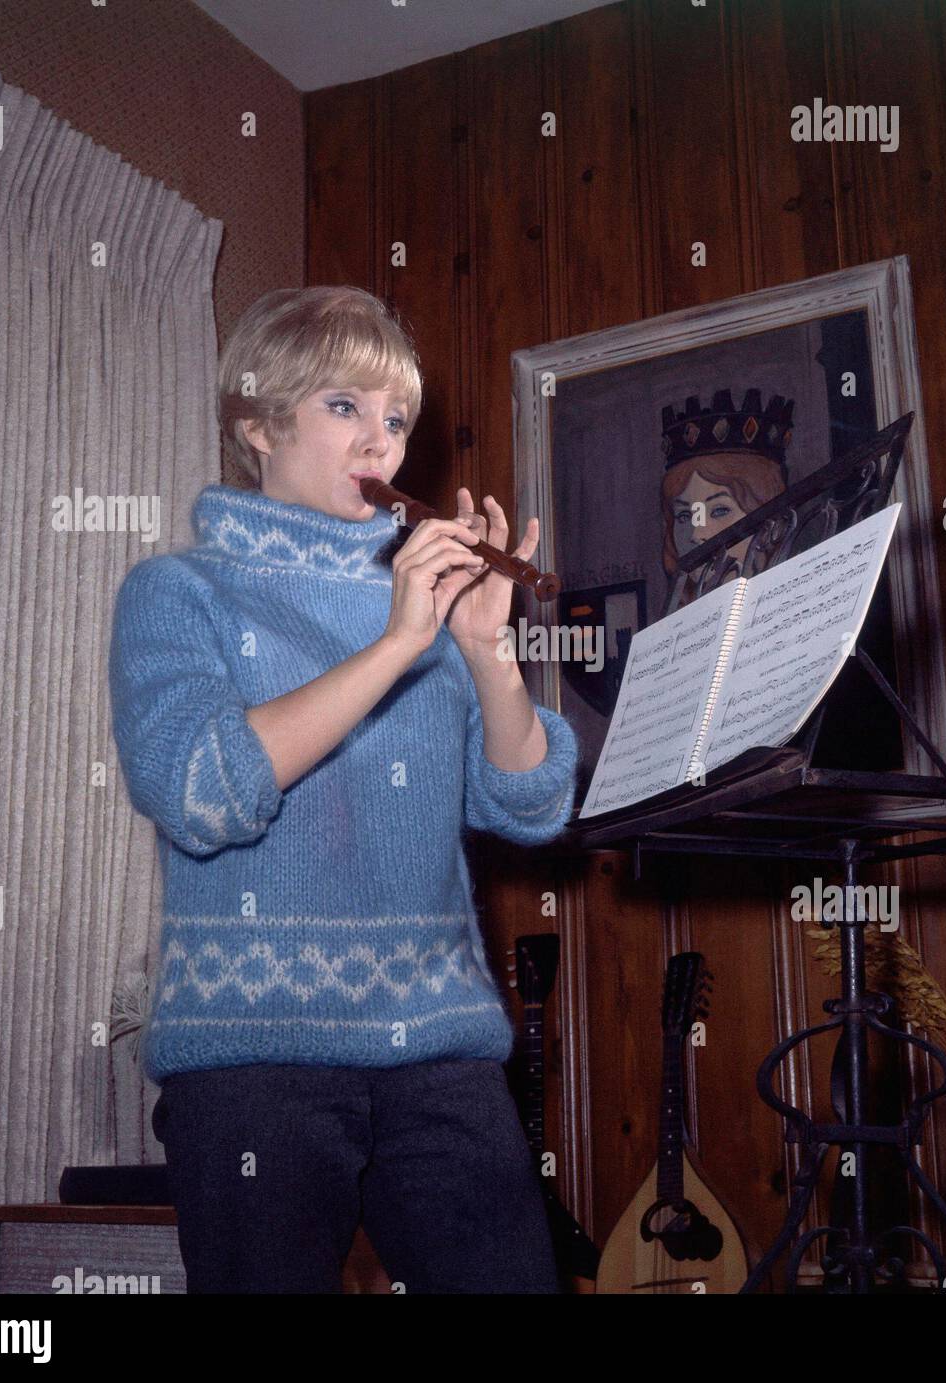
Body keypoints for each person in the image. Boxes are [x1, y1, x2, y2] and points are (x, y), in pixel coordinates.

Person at [107, 285, 579, 1293]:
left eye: (396, 419)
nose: (380, 443)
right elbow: (199, 789)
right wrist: (398, 642)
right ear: (257, 426)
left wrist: (484, 651)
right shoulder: (177, 593)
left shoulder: (426, 607)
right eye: (344, 408)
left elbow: (529, 806)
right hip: (249, 1061)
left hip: (442, 1053)